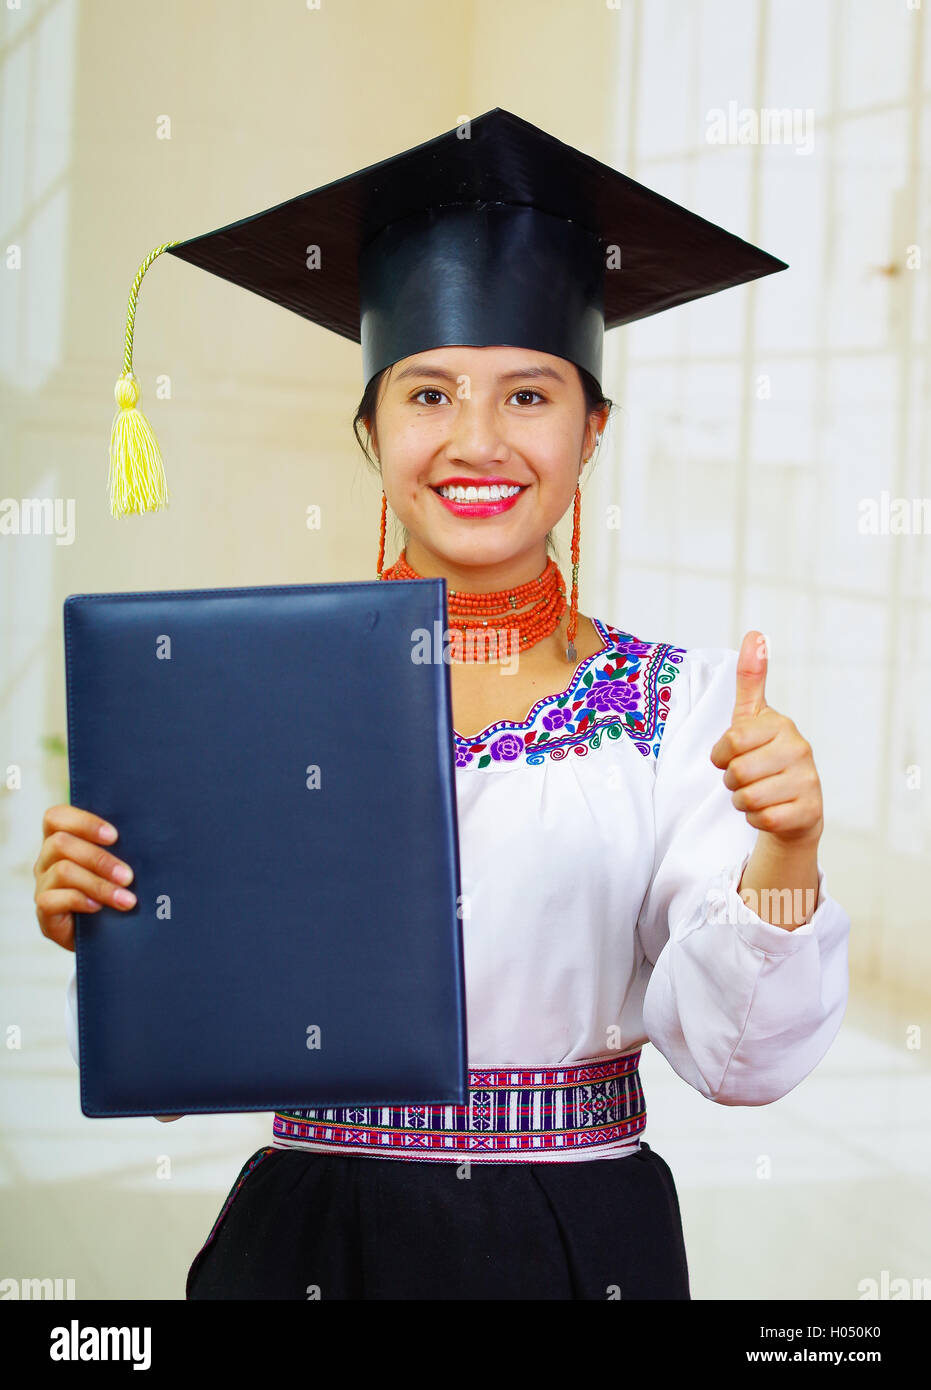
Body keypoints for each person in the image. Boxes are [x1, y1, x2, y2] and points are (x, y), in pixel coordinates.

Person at [33, 109, 851, 1300]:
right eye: (426, 395)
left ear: (593, 430)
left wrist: (788, 843)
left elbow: (740, 1065)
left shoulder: (682, 708)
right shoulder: (246, 694)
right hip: (311, 1238)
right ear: (370, 429)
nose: (477, 442)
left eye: (529, 395)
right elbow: (171, 1064)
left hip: (573, 1243)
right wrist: (113, 930)